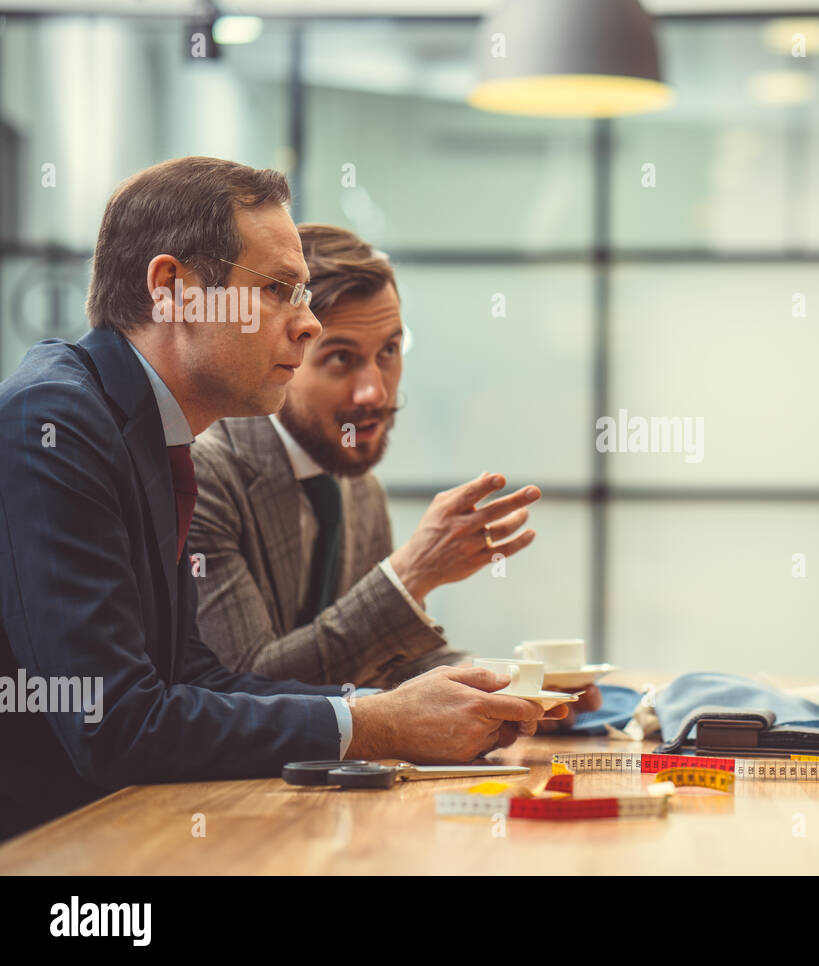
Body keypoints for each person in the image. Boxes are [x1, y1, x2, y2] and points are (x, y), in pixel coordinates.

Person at [0, 157, 548, 840]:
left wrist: (391, 707)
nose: (309, 323)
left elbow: (195, 678)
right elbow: (114, 724)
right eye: (280, 290)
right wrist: (376, 723)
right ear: (172, 289)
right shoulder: (57, 422)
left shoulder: (144, 427)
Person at [189, 224, 600, 722]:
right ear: (285, 351)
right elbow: (247, 689)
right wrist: (409, 575)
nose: (375, 393)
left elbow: (385, 664)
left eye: (388, 352)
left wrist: (518, 691)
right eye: (342, 358)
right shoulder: (205, 475)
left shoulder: (357, 488)